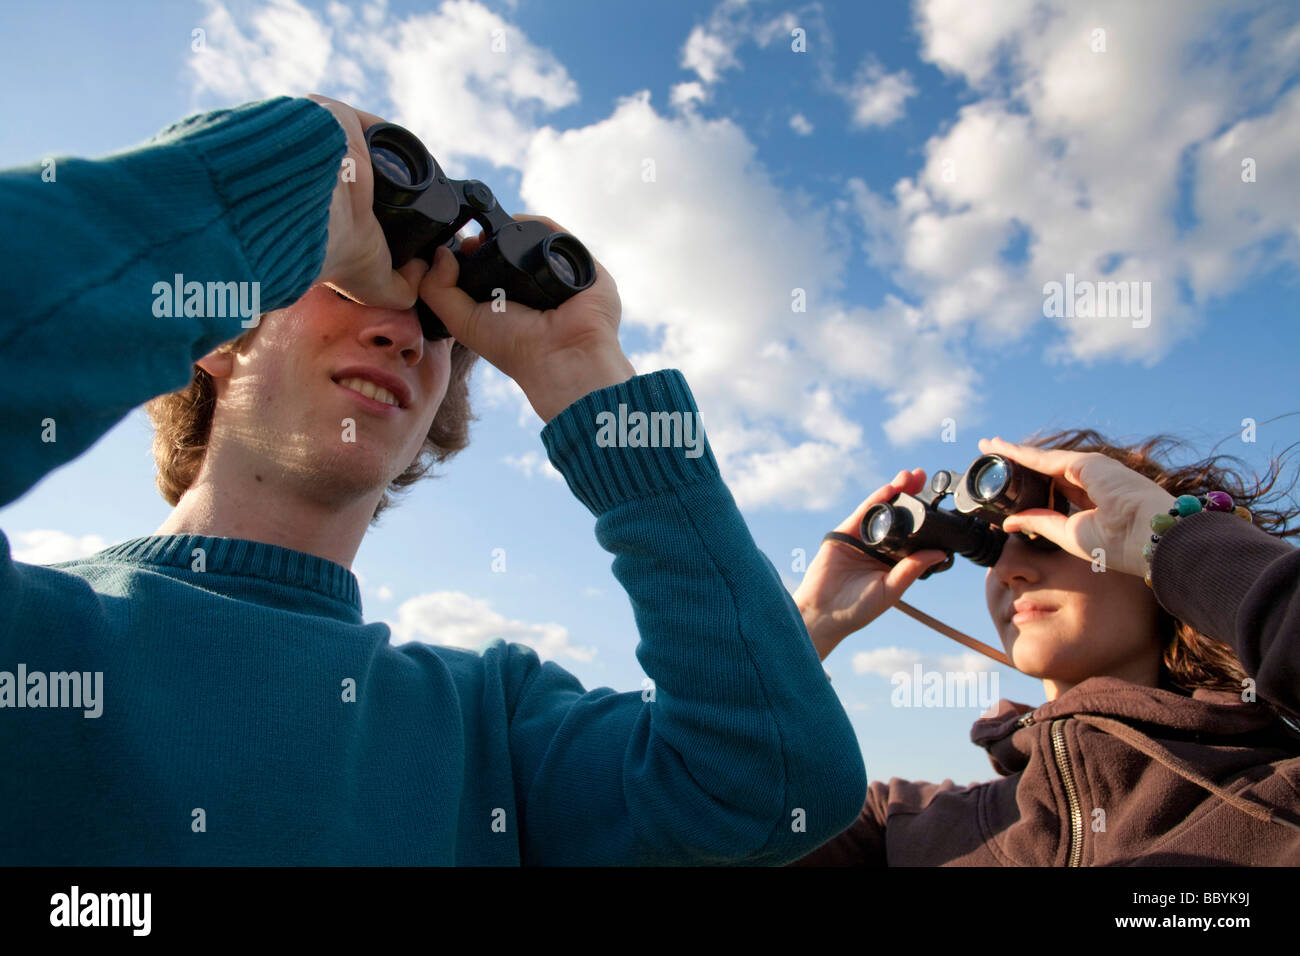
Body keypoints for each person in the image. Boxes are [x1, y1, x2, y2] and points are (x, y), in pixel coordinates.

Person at [0, 94, 867, 864]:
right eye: (344, 284)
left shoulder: (492, 719)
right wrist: (283, 176)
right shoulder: (38, 636)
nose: (403, 333)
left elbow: (776, 787)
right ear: (222, 334)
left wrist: (582, 365)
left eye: (433, 325)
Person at [791, 431, 1300, 865]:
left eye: (1045, 539)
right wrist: (807, 627)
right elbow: (715, 834)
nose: (1010, 572)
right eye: (989, 551)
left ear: (1148, 568)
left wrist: (1173, 538)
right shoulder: (902, 828)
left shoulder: (1280, 795)